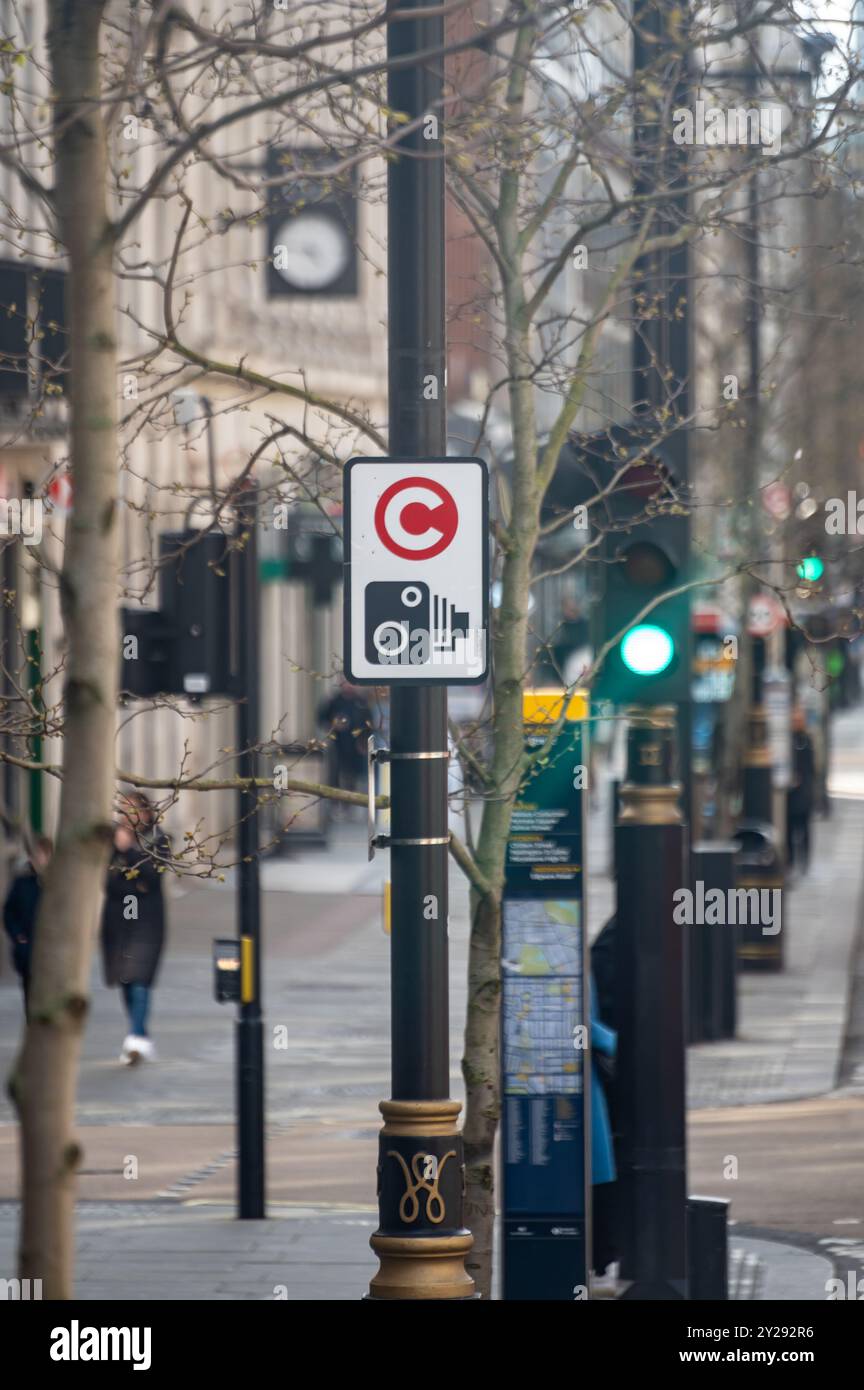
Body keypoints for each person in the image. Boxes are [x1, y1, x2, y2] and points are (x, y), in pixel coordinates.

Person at [101, 793, 170, 1064]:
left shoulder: (157, 839)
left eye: (133, 810)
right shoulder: (111, 842)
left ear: (146, 812)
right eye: (123, 810)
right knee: (126, 981)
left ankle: (136, 1037)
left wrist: (128, 852)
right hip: (119, 923)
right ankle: (140, 1035)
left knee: (139, 978)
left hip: (146, 922)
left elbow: (152, 880)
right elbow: (110, 883)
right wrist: (133, 879)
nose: (127, 816)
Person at [2, 835, 52, 1016]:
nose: (39, 859)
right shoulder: (22, 882)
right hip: (27, 949)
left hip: (51, 951)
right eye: (36, 855)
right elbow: (9, 912)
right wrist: (18, 936)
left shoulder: (56, 884)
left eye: (43, 855)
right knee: (30, 993)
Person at [318, 680, 374, 802]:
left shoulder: (361, 702)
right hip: (338, 745)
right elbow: (321, 718)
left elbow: (369, 724)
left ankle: (353, 801)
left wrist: (364, 740)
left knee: (355, 776)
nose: (349, 686)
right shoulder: (334, 702)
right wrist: (333, 724)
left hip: (357, 747)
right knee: (337, 774)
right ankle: (337, 803)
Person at [787, 706, 815, 875]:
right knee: (790, 828)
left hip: (803, 793)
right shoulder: (789, 740)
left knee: (804, 828)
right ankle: (791, 861)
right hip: (791, 793)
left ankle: (805, 859)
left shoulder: (806, 741)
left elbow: (811, 767)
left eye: (799, 720)